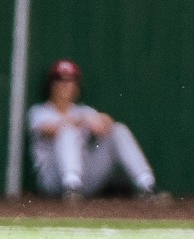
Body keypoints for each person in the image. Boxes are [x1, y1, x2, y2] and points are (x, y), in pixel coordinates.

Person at [27, 59, 160, 201]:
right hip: (53, 181)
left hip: (85, 180)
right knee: (67, 130)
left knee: (118, 130)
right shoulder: (40, 111)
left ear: (76, 86)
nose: (64, 85)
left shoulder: (82, 110)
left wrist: (102, 121)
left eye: (70, 81)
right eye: (60, 80)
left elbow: (107, 124)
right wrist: (83, 121)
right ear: (51, 85)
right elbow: (48, 130)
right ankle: (71, 187)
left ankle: (147, 184)